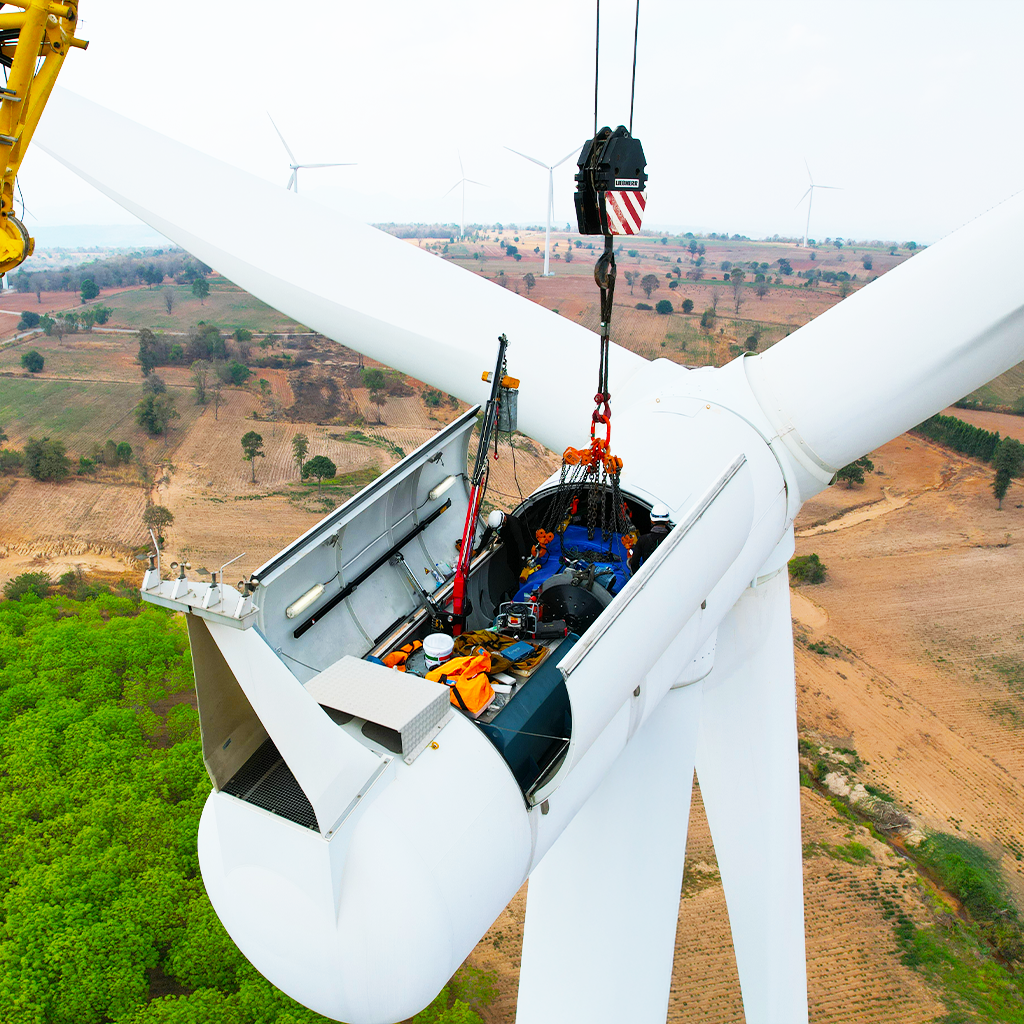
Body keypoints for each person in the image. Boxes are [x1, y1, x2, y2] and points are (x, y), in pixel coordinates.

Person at [629, 502, 672, 573]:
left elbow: (634, 563)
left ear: (652, 521)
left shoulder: (643, 540)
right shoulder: (672, 539)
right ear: (667, 521)